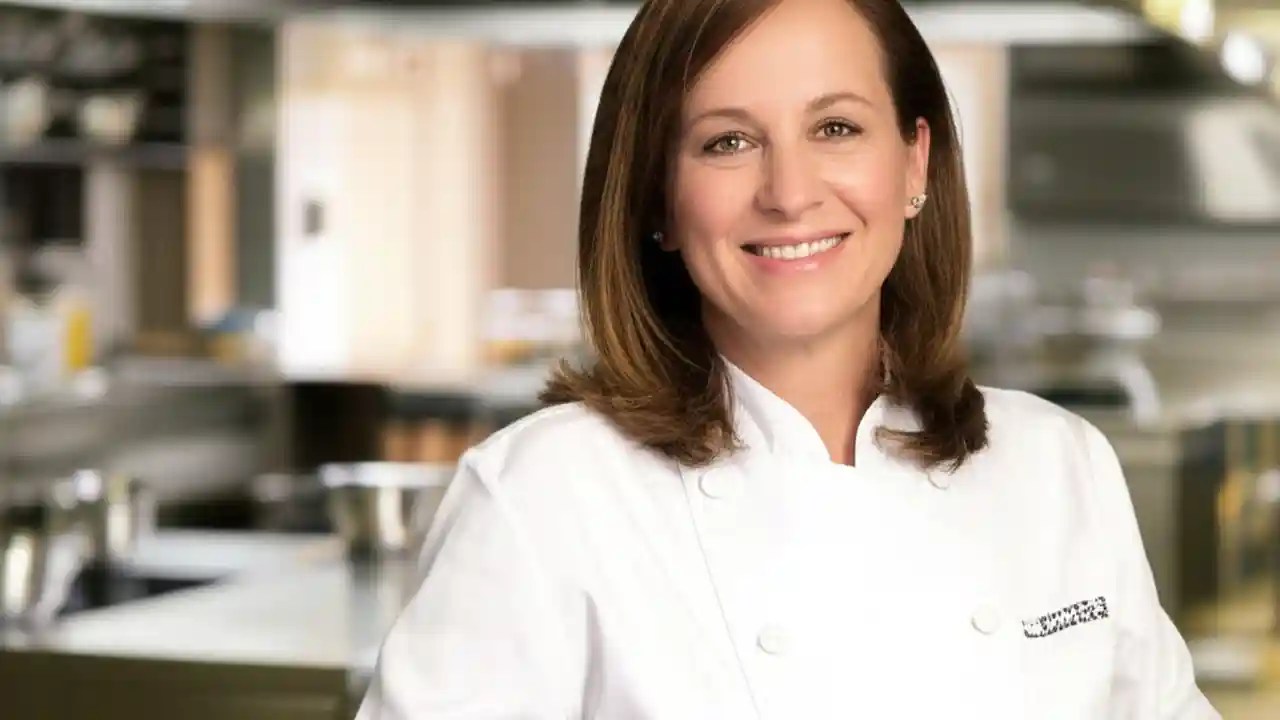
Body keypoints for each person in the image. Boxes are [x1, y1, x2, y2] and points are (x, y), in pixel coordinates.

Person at [355, 0, 1219, 717]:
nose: (790, 192)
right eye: (727, 141)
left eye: (836, 127)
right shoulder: (544, 497)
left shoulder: (1060, 466)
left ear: (914, 162)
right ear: (659, 195)